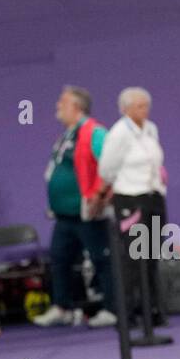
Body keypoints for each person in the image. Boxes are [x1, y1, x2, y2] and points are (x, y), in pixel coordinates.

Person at [34, 86, 117, 330]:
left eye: (63, 102)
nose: (58, 106)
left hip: (88, 213)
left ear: (77, 107)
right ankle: (63, 308)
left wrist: (101, 198)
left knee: (102, 261)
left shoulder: (94, 132)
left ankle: (112, 309)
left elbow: (109, 164)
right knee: (59, 260)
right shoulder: (67, 136)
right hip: (65, 215)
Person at [99, 87, 168, 328]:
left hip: (153, 196)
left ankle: (152, 310)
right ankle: (127, 314)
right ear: (124, 109)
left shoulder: (151, 129)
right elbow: (106, 169)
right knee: (132, 257)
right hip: (129, 198)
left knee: (151, 254)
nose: (144, 110)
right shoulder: (118, 134)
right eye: (138, 106)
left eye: (146, 105)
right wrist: (122, 183)